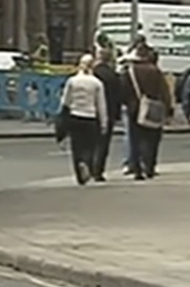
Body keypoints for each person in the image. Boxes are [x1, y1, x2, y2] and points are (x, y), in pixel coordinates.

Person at [58, 53, 108, 185]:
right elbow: (101, 105)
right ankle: (86, 163)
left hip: (75, 116)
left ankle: (79, 174)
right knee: (90, 146)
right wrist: (104, 123)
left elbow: (65, 101)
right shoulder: (97, 83)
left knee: (76, 147)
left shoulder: (72, 81)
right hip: (90, 117)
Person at [122, 45, 171, 180]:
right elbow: (164, 90)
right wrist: (168, 108)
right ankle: (149, 166)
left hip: (134, 109)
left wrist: (127, 103)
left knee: (135, 139)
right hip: (153, 108)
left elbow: (123, 90)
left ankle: (137, 168)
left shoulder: (129, 71)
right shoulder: (155, 71)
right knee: (152, 138)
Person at [91, 48, 124, 181]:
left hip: (91, 111)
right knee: (103, 143)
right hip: (109, 111)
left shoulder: (92, 74)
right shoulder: (113, 75)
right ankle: (98, 171)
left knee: (90, 142)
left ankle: (89, 166)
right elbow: (118, 95)